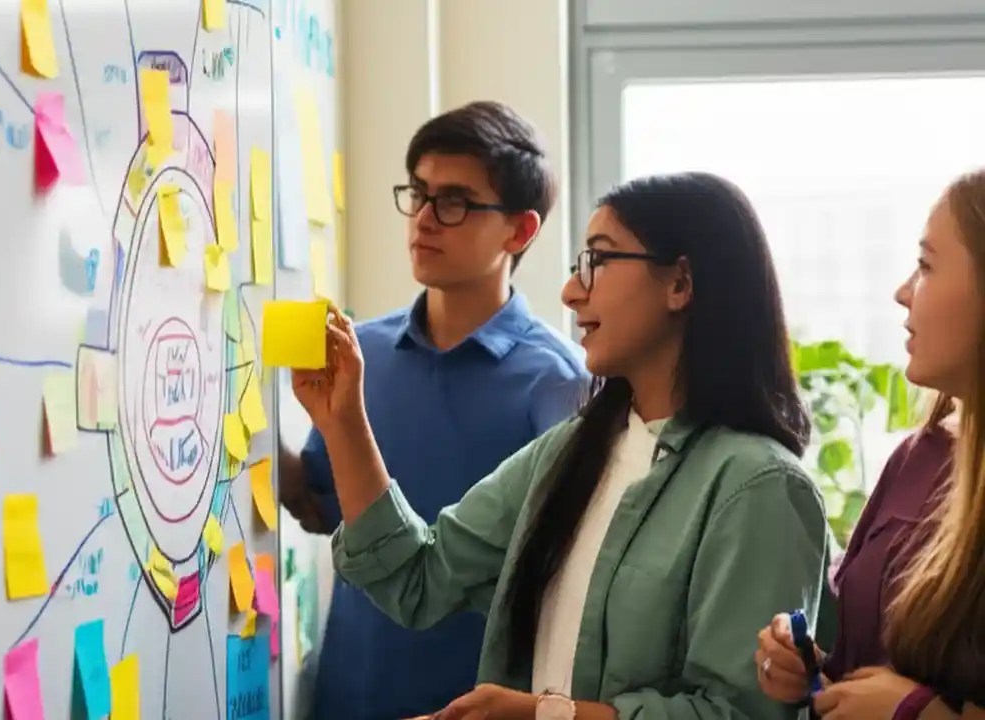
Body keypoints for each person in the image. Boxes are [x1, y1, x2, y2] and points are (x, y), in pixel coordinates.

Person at [293, 171, 831, 720]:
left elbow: (741, 714)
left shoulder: (759, 488)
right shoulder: (572, 451)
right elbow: (417, 580)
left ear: (680, 284)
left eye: (598, 261)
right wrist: (343, 421)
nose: (572, 291)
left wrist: (546, 715)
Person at [277, 101, 589, 720]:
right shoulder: (361, 352)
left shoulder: (559, 382)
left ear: (519, 231)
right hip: (348, 693)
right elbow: (320, 508)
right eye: (417, 194)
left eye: (453, 202)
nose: (423, 219)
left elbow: (570, 575)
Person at [755, 169, 985, 718]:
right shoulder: (916, 457)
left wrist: (920, 713)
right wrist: (812, 667)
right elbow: (868, 661)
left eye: (927, 266)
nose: (903, 292)